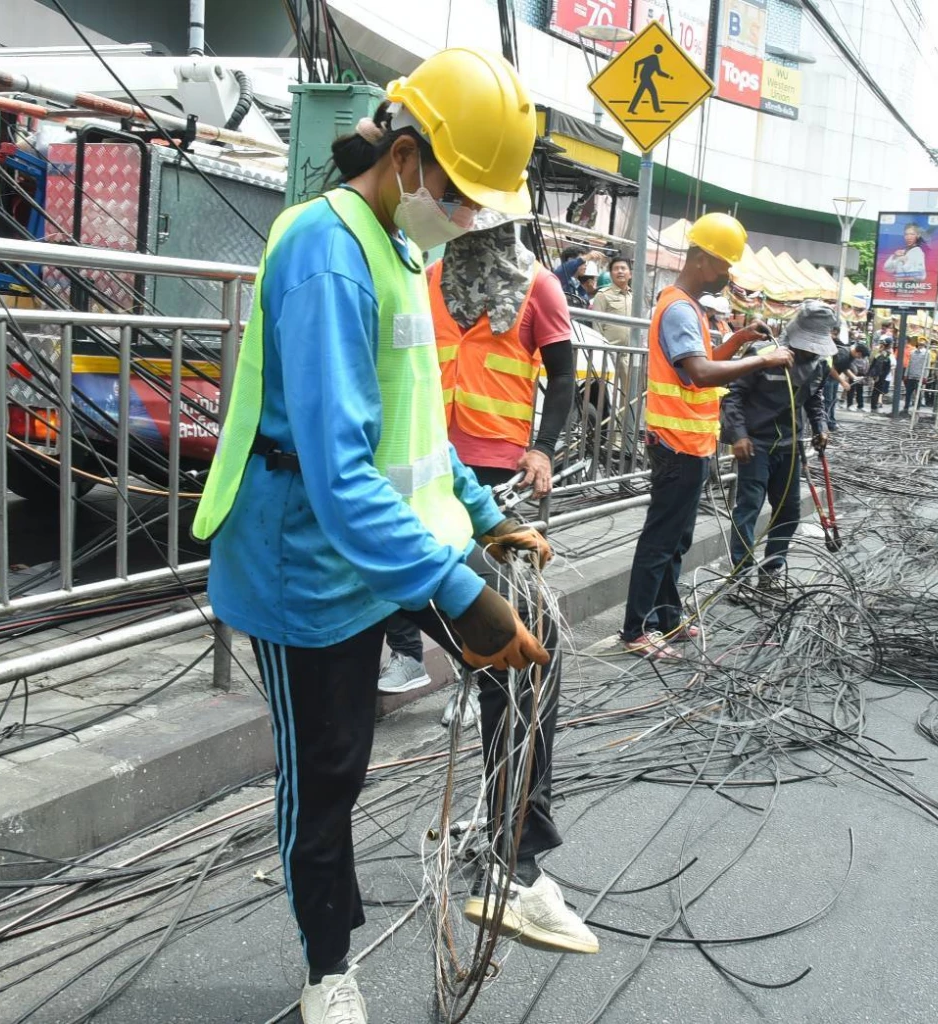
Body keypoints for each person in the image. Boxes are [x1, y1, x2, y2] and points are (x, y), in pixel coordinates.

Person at [192, 50, 596, 1024]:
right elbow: (337, 475)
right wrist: (459, 590)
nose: (463, 220)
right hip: (307, 568)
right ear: (406, 156)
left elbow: (417, 428)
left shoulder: (401, 248)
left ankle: (510, 860)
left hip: (393, 545)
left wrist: (488, 515)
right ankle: (328, 968)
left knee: (531, 661)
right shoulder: (325, 253)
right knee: (327, 773)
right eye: (458, 195)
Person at [379, 219, 576, 725]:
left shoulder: (540, 286)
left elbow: (562, 376)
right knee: (404, 554)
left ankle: (477, 679)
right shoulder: (433, 277)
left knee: (480, 585)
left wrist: (543, 449)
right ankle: (408, 656)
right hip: (427, 449)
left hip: (493, 456)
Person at [619, 212, 794, 658]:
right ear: (701, 259)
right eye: (723, 265)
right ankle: (637, 629)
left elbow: (705, 360)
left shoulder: (687, 306)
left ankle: (668, 619)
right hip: (676, 445)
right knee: (661, 539)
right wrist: (760, 361)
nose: (726, 276)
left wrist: (738, 342)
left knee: (676, 538)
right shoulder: (679, 307)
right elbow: (698, 373)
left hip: (689, 443)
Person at [722, 301, 833, 592]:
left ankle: (771, 571)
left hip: (790, 445)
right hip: (756, 444)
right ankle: (741, 574)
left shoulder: (818, 365)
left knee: (789, 511)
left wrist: (820, 427)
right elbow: (732, 395)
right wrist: (739, 435)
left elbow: (814, 400)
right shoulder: (762, 355)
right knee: (749, 508)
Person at [590, 255, 634, 345]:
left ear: (630, 274)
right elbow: (597, 327)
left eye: (623, 268)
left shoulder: (632, 297)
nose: (620, 271)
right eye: (616, 269)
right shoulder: (602, 295)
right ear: (610, 274)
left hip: (629, 352)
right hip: (609, 352)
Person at [903, 335, 931, 412]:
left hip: (920, 376)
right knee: (908, 393)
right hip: (911, 376)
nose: (920, 344)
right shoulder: (912, 352)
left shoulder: (927, 353)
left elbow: (927, 365)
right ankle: (906, 408)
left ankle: (917, 409)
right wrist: (906, 374)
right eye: (920, 342)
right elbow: (909, 364)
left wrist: (925, 377)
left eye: (922, 342)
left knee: (918, 394)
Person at [845, 343, 871, 411]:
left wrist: (865, 373)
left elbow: (867, 364)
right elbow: (850, 365)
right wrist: (854, 373)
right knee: (851, 390)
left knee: (860, 390)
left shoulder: (864, 357)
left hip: (861, 374)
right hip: (853, 373)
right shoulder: (852, 355)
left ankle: (860, 405)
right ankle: (849, 405)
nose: (861, 357)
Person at [868, 341, 892, 410]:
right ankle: (874, 406)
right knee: (876, 391)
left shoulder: (882, 356)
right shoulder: (882, 356)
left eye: (881, 346)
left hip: (879, 376)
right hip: (879, 376)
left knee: (876, 391)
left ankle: (874, 405)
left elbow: (873, 365)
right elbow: (875, 365)